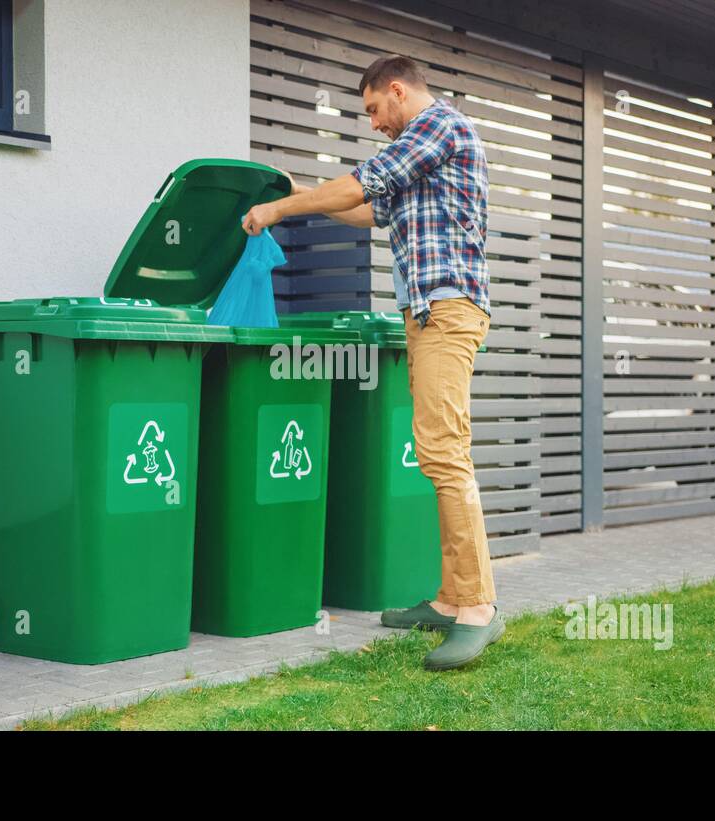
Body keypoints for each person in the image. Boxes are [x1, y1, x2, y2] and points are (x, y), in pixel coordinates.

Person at [242, 54, 501, 671]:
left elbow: (363, 182)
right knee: (439, 451)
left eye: (373, 110)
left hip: (447, 309)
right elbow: (366, 208)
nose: (374, 123)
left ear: (396, 90)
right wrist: (300, 195)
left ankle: (479, 609)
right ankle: (450, 598)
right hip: (425, 314)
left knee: (444, 452)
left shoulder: (439, 127)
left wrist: (280, 210)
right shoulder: (417, 155)